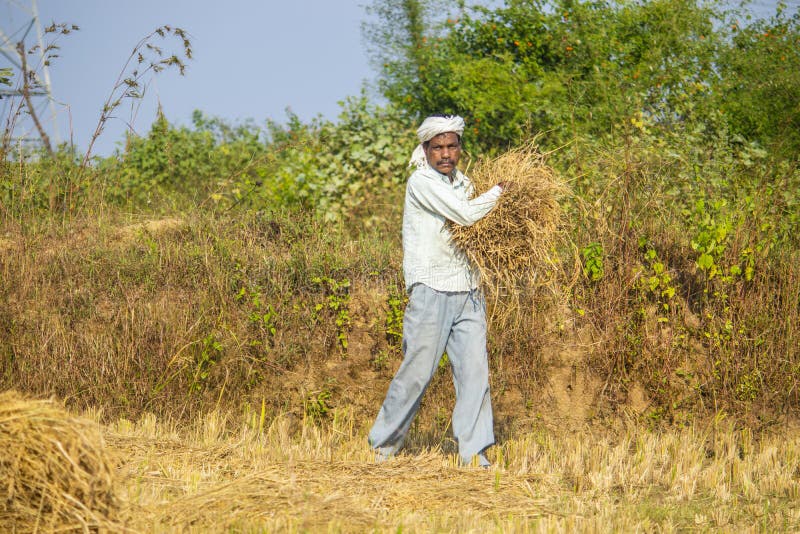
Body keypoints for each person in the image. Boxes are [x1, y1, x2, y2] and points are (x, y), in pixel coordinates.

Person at [368, 114, 506, 467]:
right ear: (426, 150)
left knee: (475, 373)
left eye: (451, 146)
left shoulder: (465, 183)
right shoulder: (421, 183)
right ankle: (382, 447)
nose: (445, 154)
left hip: (470, 289)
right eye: (437, 148)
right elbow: (465, 215)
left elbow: (475, 222)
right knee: (417, 373)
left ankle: (474, 454)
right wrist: (502, 192)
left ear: (460, 148)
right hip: (431, 288)